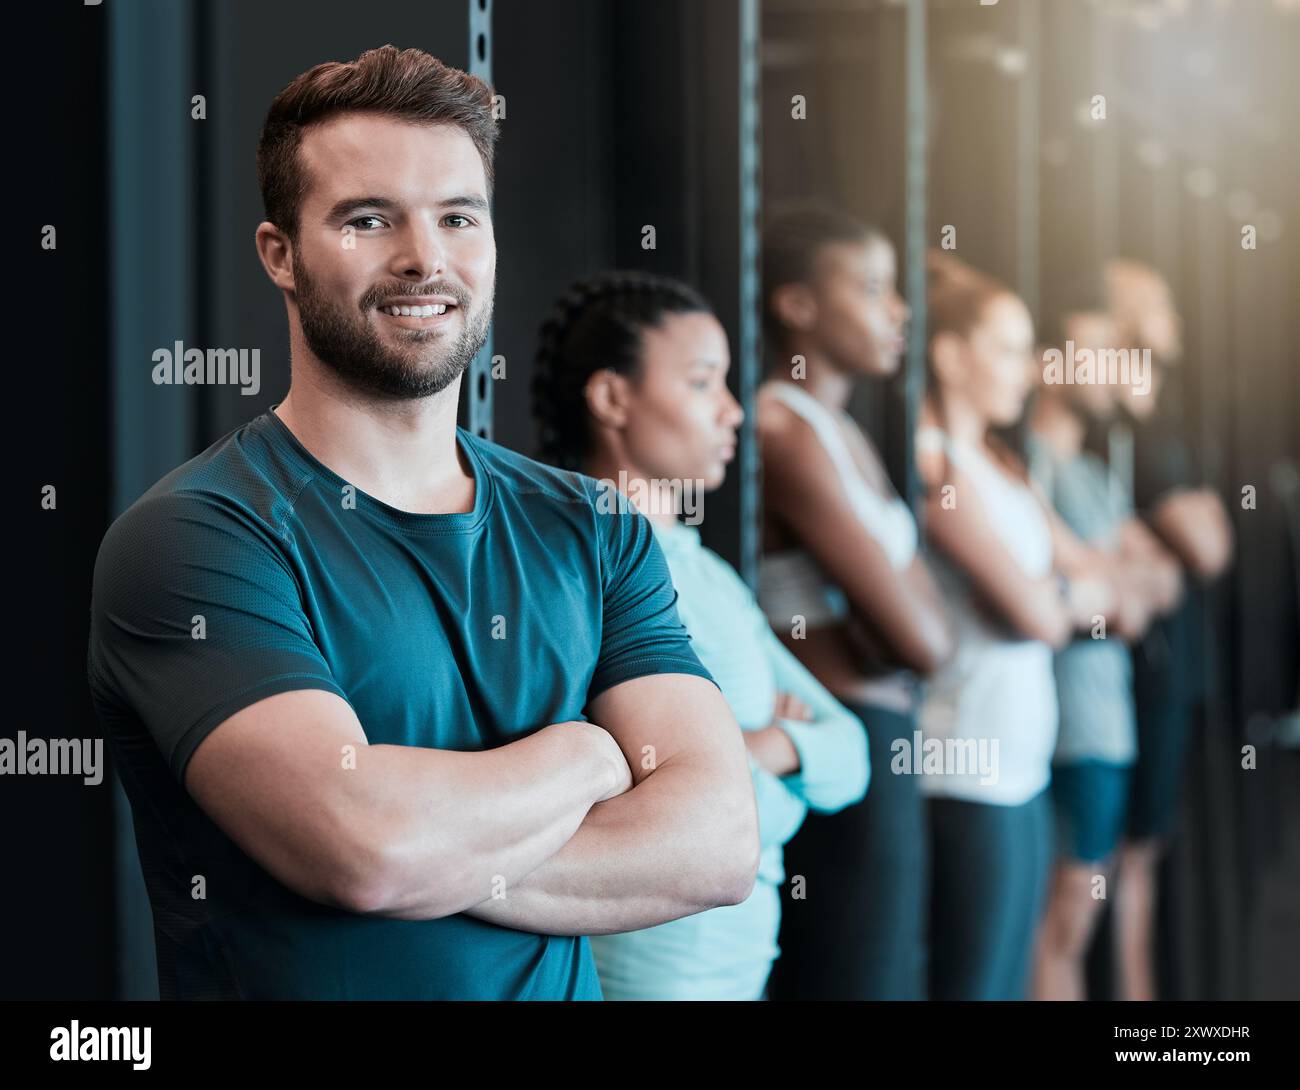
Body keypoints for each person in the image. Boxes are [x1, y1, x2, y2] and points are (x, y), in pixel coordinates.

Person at [86, 46, 759, 1001]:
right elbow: (366, 853)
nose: (424, 258)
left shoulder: (595, 529)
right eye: (369, 219)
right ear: (279, 253)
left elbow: (718, 844)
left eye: (457, 217)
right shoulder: (198, 539)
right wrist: (587, 755)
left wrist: (432, 850)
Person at [530, 269, 869, 999]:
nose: (734, 412)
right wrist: (762, 779)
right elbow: (608, 788)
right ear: (613, 397)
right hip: (647, 965)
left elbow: (851, 750)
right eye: (701, 382)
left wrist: (753, 753)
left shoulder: (706, 572)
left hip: (741, 961)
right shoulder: (576, 562)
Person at [756, 203, 953, 999]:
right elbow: (926, 642)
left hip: (882, 731)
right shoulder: (785, 426)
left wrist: (899, 626)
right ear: (798, 306)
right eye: (872, 289)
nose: (898, 311)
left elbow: (917, 617)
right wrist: (896, 630)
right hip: (847, 733)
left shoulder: (840, 429)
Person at [917, 253, 1115, 1000]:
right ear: (949, 355)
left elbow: (1097, 581)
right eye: (1005, 348)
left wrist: (1057, 590)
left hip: (1020, 770)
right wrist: (1062, 594)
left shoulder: (1000, 463)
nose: (1027, 369)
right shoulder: (934, 462)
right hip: (962, 774)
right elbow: (1040, 613)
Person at [1026, 309, 1183, 1001]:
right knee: (1055, 932)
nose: (1108, 368)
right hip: (1063, 733)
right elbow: (1058, 598)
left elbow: (1163, 584)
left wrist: (1106, 589)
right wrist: (1111, 590)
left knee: (1078, 927)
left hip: (1104, 727)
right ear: (1044, 363)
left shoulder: (1092, 473)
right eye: (1089, 352)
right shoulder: (1023, 466)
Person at [1104, 259, 1233, 1000]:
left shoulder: (1168, 418)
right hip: (1129, 666)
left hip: (1171, 656)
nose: (1174, 322)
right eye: (1158, 307)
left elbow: (1213, 542)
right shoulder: (1119, 432)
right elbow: (1201, 542)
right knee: (1105, 861)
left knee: (1141, 852)